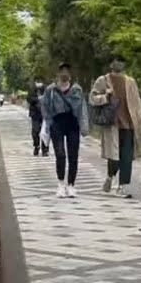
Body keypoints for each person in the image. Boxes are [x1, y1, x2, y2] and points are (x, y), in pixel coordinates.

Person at [90, 55, 141, 198]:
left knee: (127, 157)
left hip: (128, 124)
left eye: (121, 61)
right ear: (111, 63)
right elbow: (92, 98)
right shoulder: (103, 80)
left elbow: (137, 103)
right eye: (116, 60)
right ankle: (110, 177)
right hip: (112, 124)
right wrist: (106, 96)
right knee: (114, 156)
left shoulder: (130, 82)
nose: (118, 64)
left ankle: (123, 186)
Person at [41, 63, 86, 198]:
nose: (64, 74)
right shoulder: (51, 90)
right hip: (57, 124)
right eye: (62, 71)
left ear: (70, 75)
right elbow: (45, 107)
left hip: (72, 124)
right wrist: (48, 124)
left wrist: (84, 126)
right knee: (60, 154)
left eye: (67, 71)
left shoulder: (77, 90)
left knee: (73, 156)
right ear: (58, 74)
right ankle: (61, 183)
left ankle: (71, 184)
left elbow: (82, 109)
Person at [27, 80, 48, 156]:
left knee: (45, 132)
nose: (38, 84)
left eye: (40, 81)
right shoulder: (32, 89)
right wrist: (38, 99)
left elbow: (49, 98)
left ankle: (45, 149)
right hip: (35, 113)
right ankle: (36, 146)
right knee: (35, 131)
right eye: (37, 82)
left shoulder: (46, 89)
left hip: (45, 113)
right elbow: (29, 99)